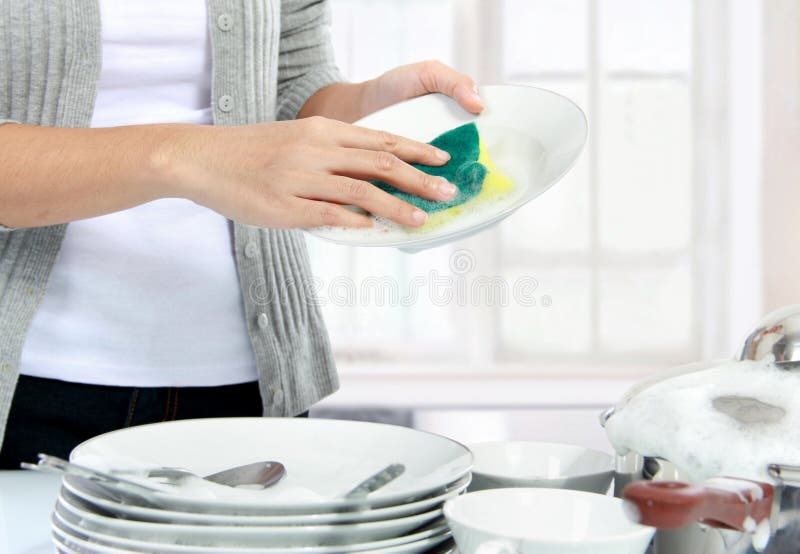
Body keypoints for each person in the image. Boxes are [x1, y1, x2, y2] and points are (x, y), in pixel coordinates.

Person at [0, 0, 483, 469]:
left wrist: (372, 107)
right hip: (32, 387)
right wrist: (182, 155)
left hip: (253, 381)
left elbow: (290, 91)